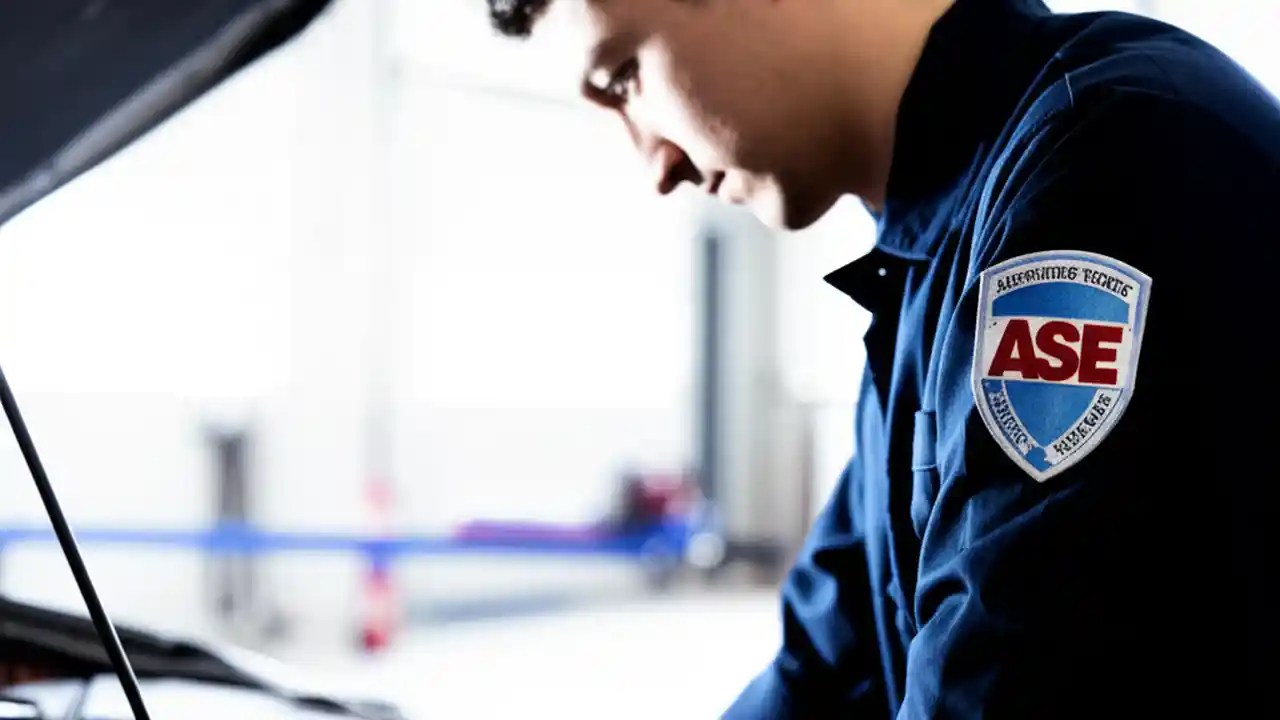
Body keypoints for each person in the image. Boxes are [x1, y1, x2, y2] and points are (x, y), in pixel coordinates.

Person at [484, 0, 1274, 717]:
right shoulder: (946, 233)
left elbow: (1000, 687)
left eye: (624, 77)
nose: (655, 165)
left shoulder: (1101, 166)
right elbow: (829, 662)